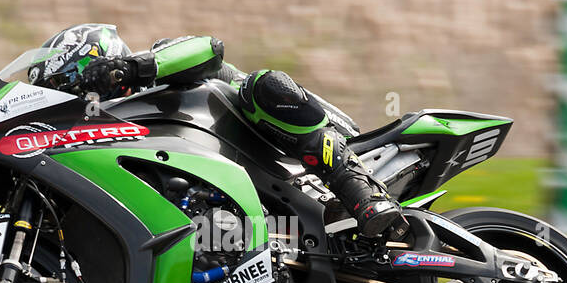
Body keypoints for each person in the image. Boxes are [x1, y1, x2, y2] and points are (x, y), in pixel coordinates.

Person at [25, 23, 407, 239]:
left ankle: (361, 189)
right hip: (253, 204)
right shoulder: (109, 133)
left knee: (263, 84)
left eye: (74, 82)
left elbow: (210, 47)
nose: (75, 95)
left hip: (290, 148)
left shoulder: (162, 65)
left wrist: (132, 69)